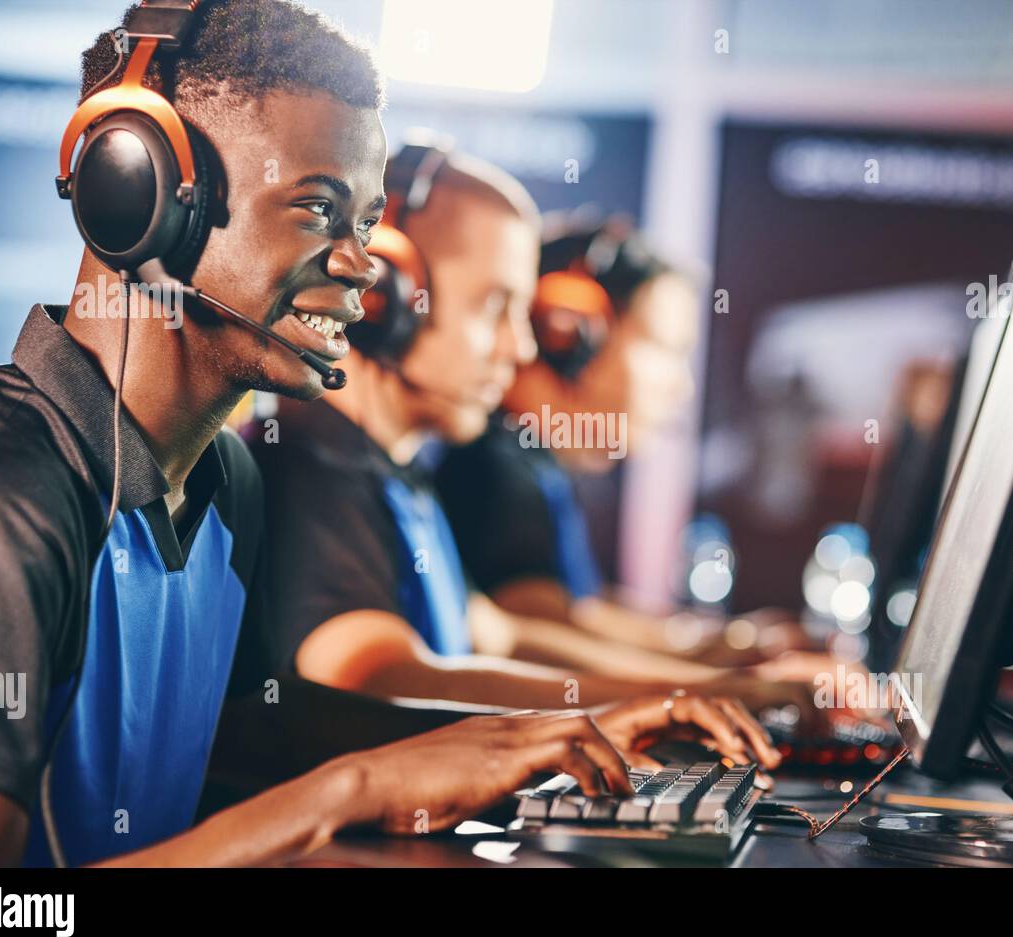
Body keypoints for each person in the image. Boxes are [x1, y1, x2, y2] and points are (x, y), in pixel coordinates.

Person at [0, 0, 771, 868]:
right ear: (138, 197)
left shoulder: (224, 483)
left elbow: (239, 737)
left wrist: (539, 735)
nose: (365, 268)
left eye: (366, 223)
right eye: (319, 208)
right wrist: (348, 790)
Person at [253, 142, 825, 728]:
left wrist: (709, 685)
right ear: (382, 297)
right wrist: (674, 700)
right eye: (492, 308)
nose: (521, 348)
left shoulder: (393, 469)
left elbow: (503, 636)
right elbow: (378, 678)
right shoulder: (314, 464)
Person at [435, 216, 810, 670]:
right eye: (663, 348)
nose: (682, 388)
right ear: (569, 334)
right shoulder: (495, 468)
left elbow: (581, 606)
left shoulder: (529, 460)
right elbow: (540, 629)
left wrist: (712, 644)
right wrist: (723, 679)